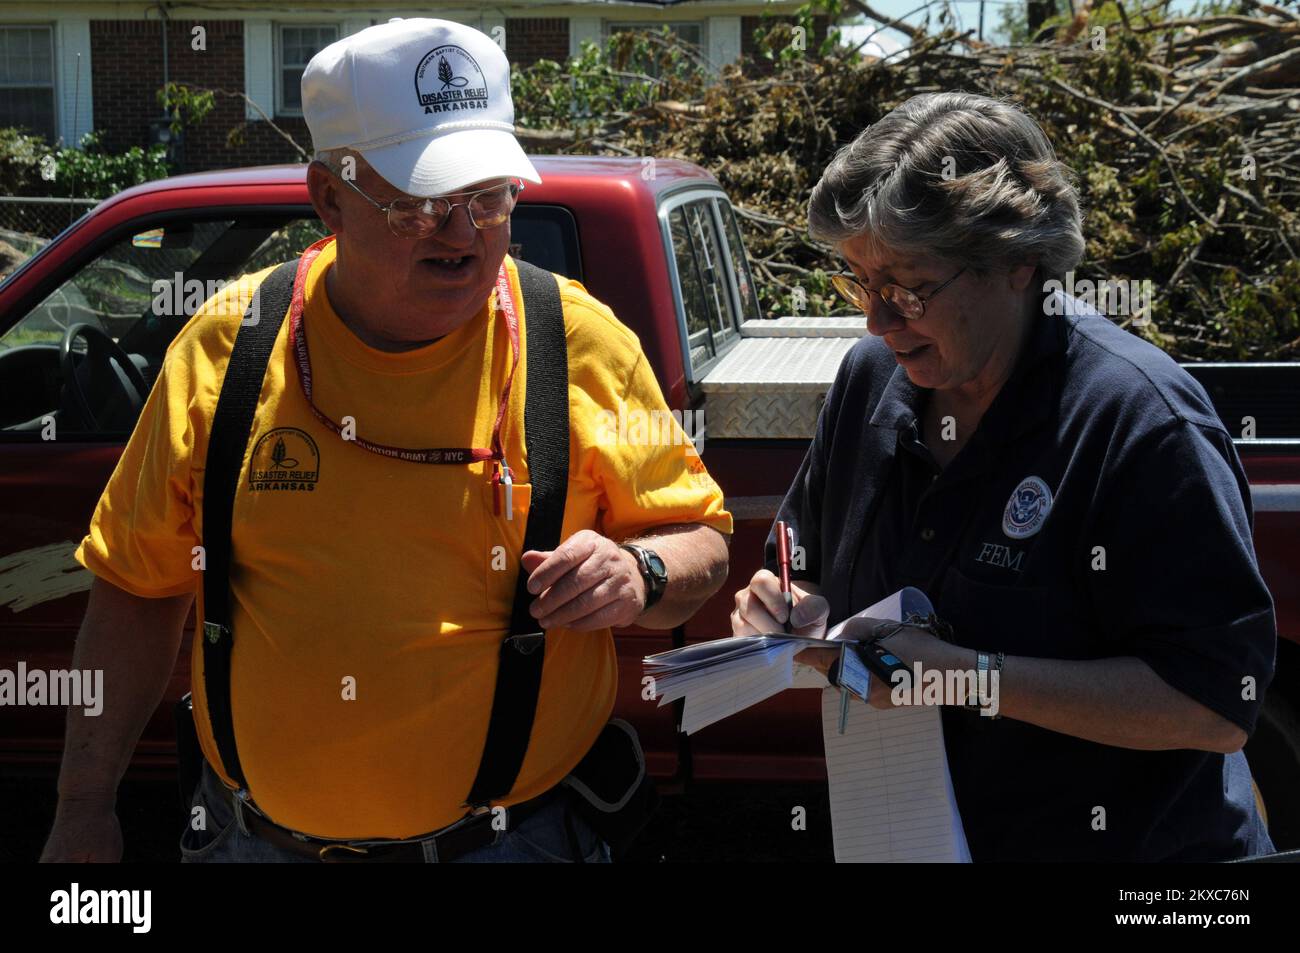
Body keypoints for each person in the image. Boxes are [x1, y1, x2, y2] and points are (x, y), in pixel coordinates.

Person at [41, 18, 731, 863]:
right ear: (328, 196)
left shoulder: (576, 341)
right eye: (421, 204)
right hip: (257, 844)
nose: (464, 232)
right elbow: (137, 591)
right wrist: (83, 807)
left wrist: (642, 570)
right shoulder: (231, 345)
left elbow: (701, 542)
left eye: (490, 198)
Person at [731, 91, 1276, 862]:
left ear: (1020, 261)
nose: (878, 323)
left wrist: (968, 678)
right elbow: (804, 571)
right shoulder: (868, 383)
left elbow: (1216, 703)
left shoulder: (1137, 421)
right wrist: (786, 613)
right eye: (860, 283)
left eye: (909, 286)